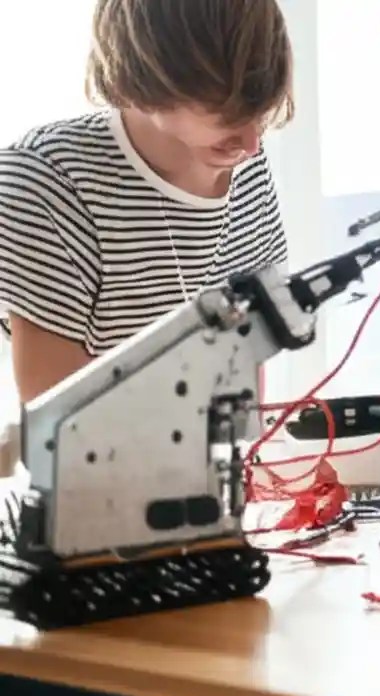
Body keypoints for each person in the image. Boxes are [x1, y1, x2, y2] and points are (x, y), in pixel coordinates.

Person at [0, 0, 293, 405]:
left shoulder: (247, 164)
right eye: (223, 116)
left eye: (260, 112)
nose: (251, 144)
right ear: (143, 81)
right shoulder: (49, 180)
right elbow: (61, 432)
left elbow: (247, 369)